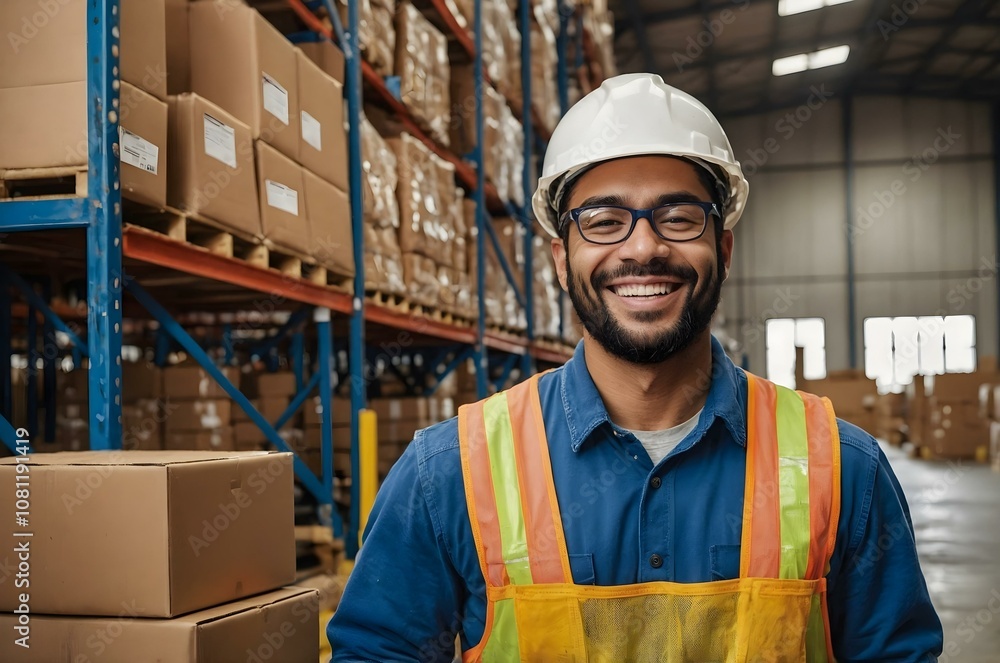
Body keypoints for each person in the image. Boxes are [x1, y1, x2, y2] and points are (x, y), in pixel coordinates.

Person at [329, 73, 943, 662]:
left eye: (678, 217)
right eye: (604, 222)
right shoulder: (450, 473)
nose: (644, 247)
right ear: (561, 261)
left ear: (723, 248)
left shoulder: (841, 468)